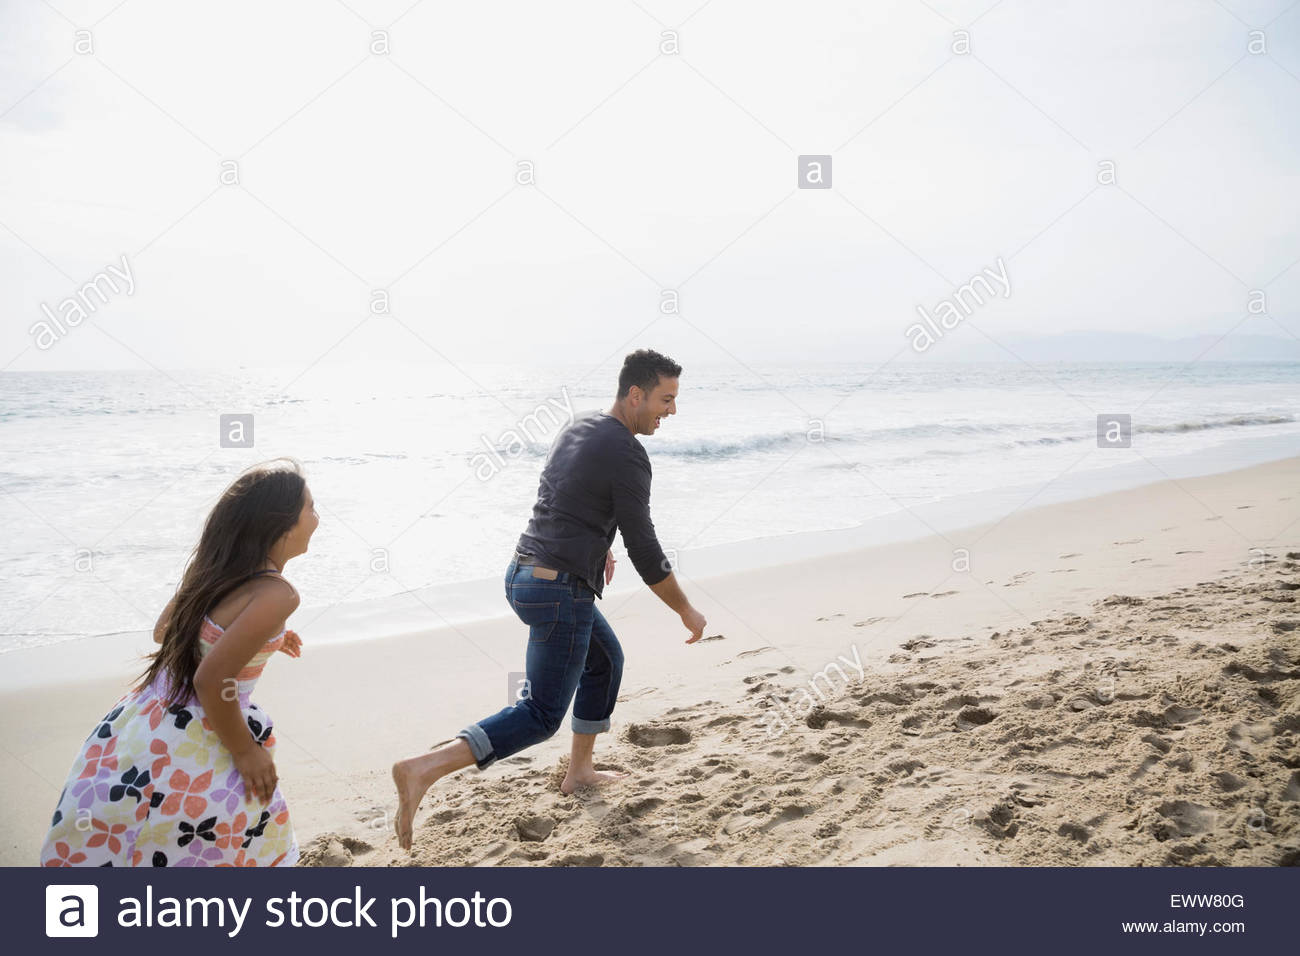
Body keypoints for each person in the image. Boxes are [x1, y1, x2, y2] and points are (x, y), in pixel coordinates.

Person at [392, 348, 707, 850]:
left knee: (604, 662)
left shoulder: (578, 427)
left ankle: (580, 770)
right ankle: (425, 767)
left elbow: (567, 496)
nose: (670, 410)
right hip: (560, 590)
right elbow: (645, 548)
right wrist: (685, 609)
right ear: (634, 394)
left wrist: (597, 547)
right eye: (665, 400)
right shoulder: (628, 452)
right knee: (540, 713)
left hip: (523, 574)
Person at [39, 459, 318, 867]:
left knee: (140, 835)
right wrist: (245, 751)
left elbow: (166, 630)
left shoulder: (218, 571)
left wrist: (265, 640)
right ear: (282, 525)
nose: (317, 518)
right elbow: (212, 679)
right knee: (229, 839)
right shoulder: (279, 595)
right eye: (310, 508)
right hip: (204, 734)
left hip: (147, 721)